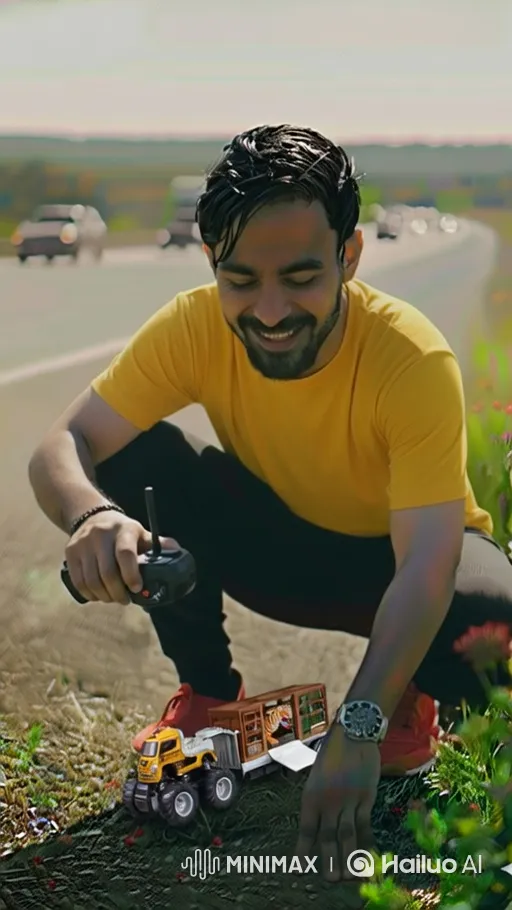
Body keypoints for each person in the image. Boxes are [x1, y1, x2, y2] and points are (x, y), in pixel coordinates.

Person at [28, 124, 512, 881]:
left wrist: (357, 723)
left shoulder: (411, 359)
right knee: (137, 456)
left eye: (301, 276)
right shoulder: (192, 325)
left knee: (492, 610)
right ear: (212, 262)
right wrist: (94, 517)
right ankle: (211, 696)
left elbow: (425, 565)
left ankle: (406, 697)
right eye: (242, 280)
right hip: (277, 549)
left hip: (396, 570)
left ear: (349, 257)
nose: (272, 309)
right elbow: (62, 444)